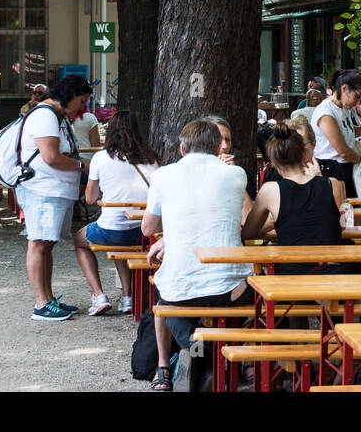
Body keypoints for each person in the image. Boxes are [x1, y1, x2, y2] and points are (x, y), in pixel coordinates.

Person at [143, 119, 252, 392]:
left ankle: (197, 354)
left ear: (182, 148)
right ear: (218, 148)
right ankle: (209, 358)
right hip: (230, 288)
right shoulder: (236, 174)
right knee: (247, 291)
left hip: (180, 289)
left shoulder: (163, 175)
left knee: (167, 290)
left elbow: (148, 227)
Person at [16, 75, 92, 321]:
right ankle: (41, 303)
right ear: (69, 96)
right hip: (43, 189)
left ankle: (48, 299)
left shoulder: (54, 115)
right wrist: (81, 165)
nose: (82, 107)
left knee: (47, 244)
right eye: (81, 101)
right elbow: (51, 157)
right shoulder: (45, 116)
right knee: (38, 243)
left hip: (53, 190)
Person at [75, 110, 159, 316]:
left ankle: (98, 295)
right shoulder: (152, 158)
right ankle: (127, 296)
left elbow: (90, 198)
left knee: (78, 241)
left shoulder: (101, 158)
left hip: (112, 230)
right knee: (122, 244)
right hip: (144, 233)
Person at [242, 122, 346, 274]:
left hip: (292, 275)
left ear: (274, 161)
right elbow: (344, 224)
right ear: (304, 153)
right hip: (333, 274)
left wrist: (274, 222)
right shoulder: (333, 184)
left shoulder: (270, 191)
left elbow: (248, 233)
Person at [311, 69, 361, 196]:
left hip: (345, 170)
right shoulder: (325, 112)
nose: (358, 102)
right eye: (358, 96)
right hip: (332, 172)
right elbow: (343, 152)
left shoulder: (344, 108)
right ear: (345, 88)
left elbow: (347, 131)